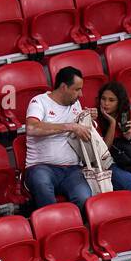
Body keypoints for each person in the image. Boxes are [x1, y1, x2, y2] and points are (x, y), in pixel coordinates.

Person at [23, 67, 95, 211]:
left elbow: (83, 131)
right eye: (76, 89)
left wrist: (89, 119)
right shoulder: (39, 101)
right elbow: (31, 128)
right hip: (41, 166)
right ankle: (52, 230)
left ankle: (73, 228)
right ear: (63, 87)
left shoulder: (76, 104)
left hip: (73, 168)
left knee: (85, 198)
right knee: (42, 186)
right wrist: (70, 126)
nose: (80, 94)